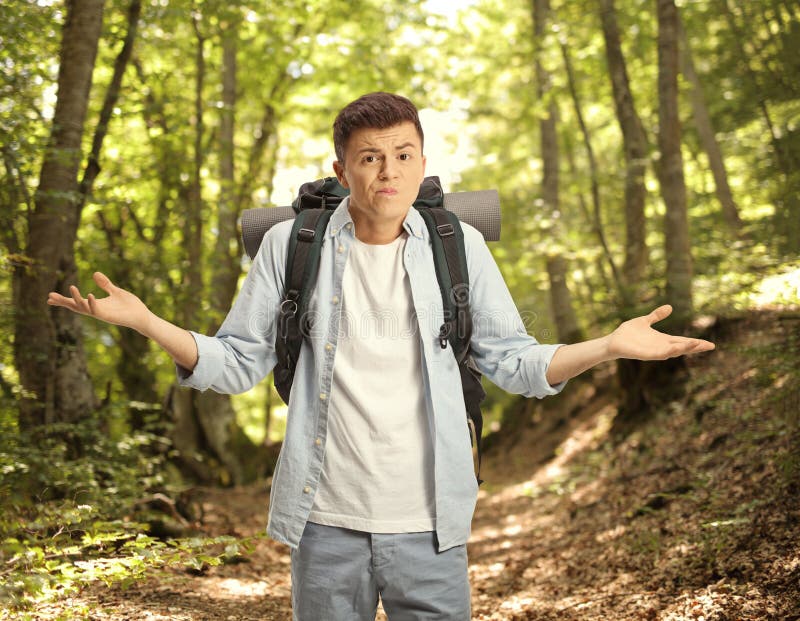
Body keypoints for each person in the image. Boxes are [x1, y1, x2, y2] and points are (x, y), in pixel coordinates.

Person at [48, 92, 714, 620]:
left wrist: (609, 346)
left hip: (432, 525)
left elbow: (515, 361)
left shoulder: (459, 246)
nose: (388, 170)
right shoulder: (291, 245)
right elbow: (238, 360)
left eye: (402, 154)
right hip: (325, 524)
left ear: (422, 163)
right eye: (369, 157)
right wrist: (147, 322)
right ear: (342, 171)